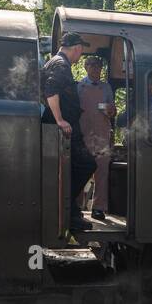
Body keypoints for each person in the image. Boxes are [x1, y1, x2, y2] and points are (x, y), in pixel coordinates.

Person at [41, 31, 95, 233]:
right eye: (81, 51)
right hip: (64, 128)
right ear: (77, 48)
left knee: (72, 168)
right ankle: (65, 207)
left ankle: (70, 209)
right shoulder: (61, 64)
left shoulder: (55, 62)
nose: (80, 56)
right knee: (87, 164)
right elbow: (51, 90)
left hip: (65, 127)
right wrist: (60, 120)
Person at [78, 56, 116, 220]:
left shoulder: (106, 88)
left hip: (101, 135)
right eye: (92, 65)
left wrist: (110, 110)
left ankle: (99, 208)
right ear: (86, 67)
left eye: (99, 66)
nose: (96, 69)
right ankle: (76, 207)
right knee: (80, 171)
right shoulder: (79, 86)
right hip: (83, 135)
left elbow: (113, 111)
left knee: (101, 172)